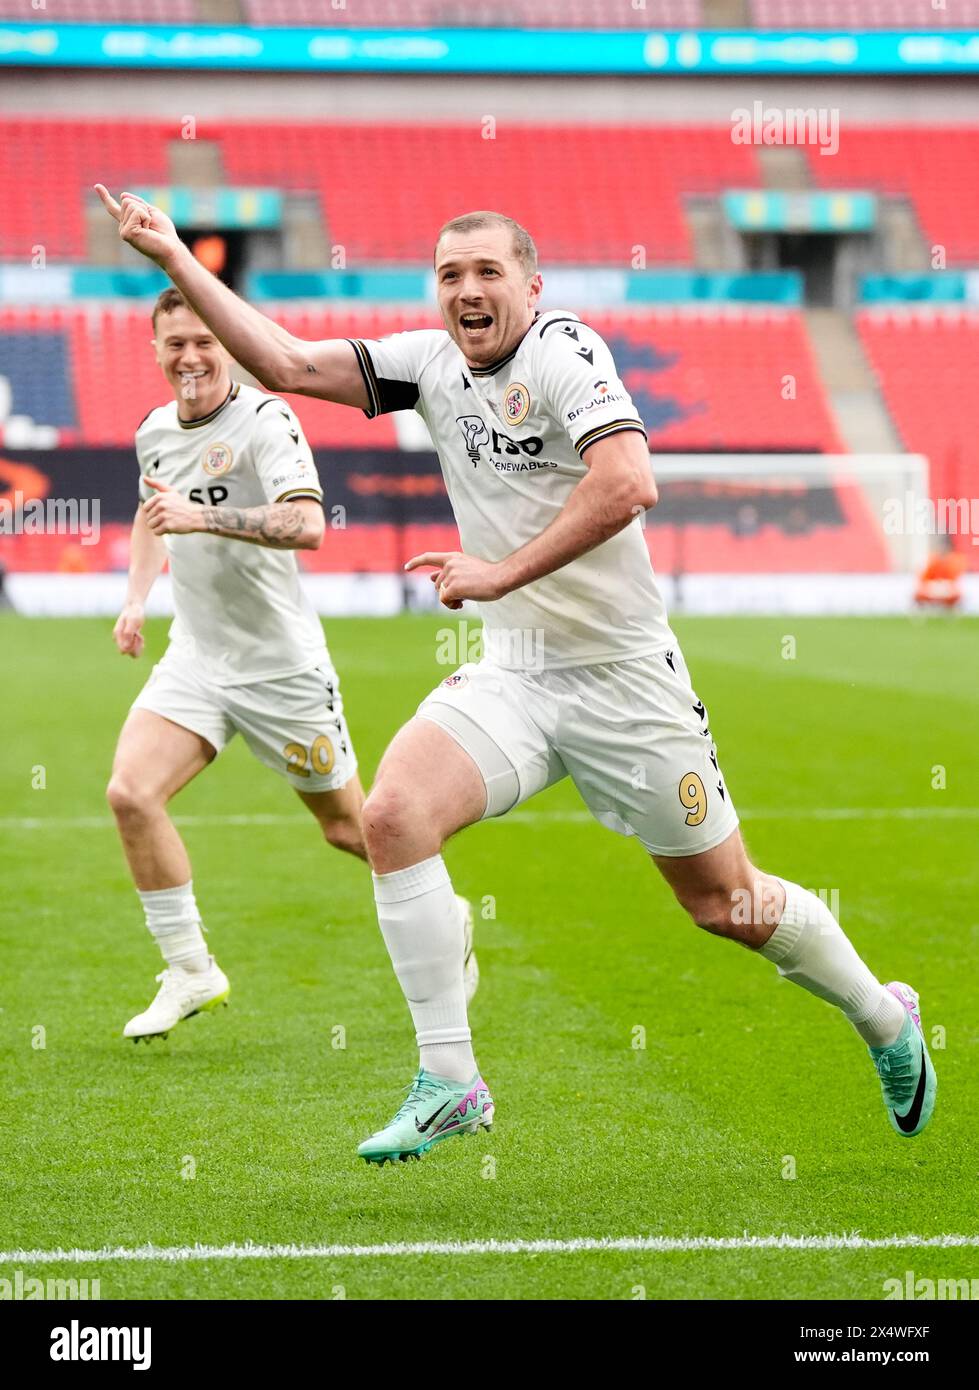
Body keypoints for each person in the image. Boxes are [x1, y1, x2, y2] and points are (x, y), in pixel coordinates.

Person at [96, 186, 936, 1160]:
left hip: (624, 680)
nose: (466, 289)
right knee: (392, 813)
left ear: (530, 286)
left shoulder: (564, 352)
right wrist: (173, 258)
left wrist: (496, 570)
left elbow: (628, 482)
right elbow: (282, 362)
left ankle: (882, 1016)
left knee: (724, 903)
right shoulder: (427, 362)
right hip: (516, 673)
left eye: (487, 270)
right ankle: (450, 1081)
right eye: (450, 273)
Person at [108, 286, 477, 1041]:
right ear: (155, 351)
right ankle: (190, 969)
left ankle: (449, 918)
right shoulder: (153, 429)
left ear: (229, 345)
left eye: (204, 341)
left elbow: (307, 525)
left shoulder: (267, 418)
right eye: (175, 343)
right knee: (129, 793)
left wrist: (201, 515)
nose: (190, 357)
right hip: (197, 657)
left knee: (353, 830)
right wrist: (136, 598)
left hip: (280, 669)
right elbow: (155, 513)